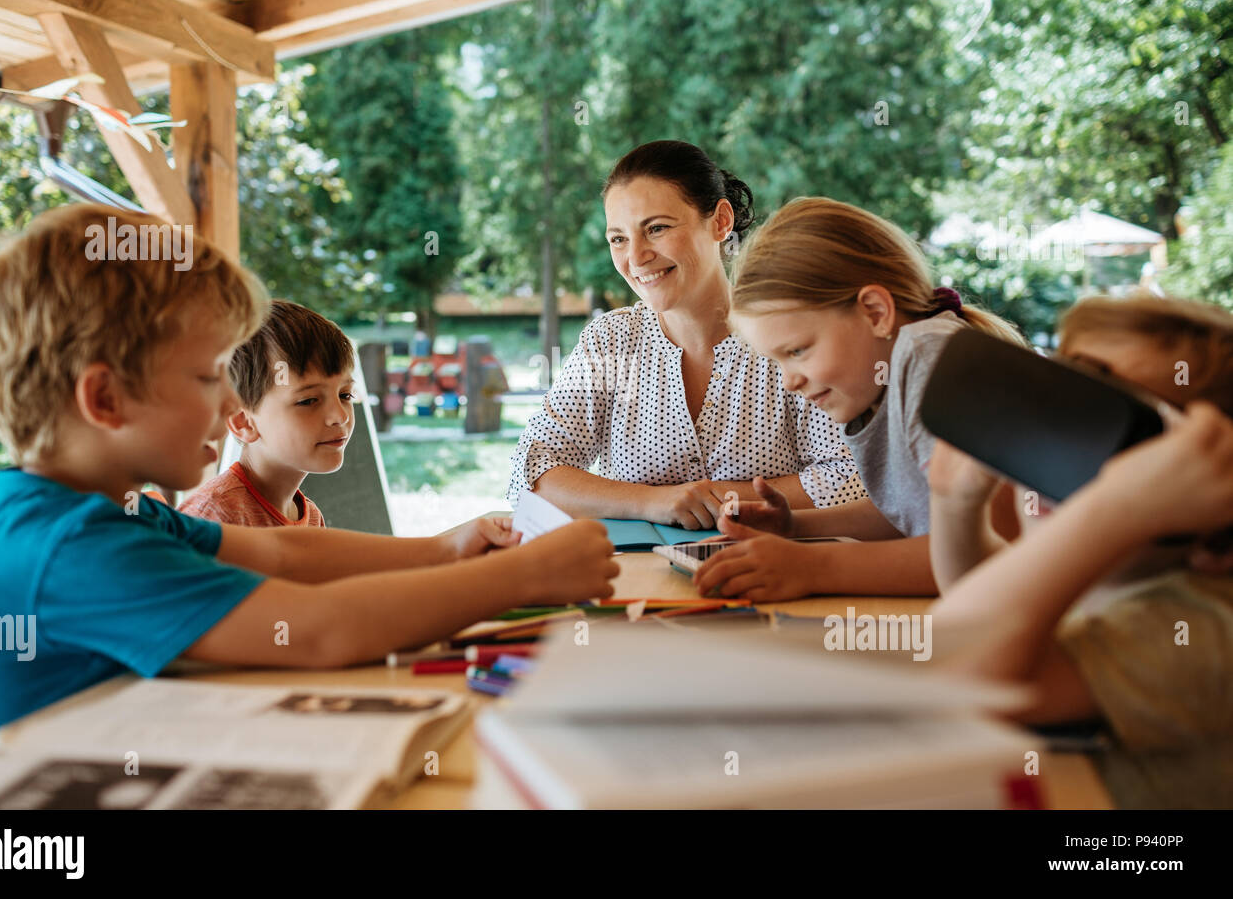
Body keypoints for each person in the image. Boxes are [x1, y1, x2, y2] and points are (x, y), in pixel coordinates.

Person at [0, 203, 617, 770]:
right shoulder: (74, 547)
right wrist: (523, 577)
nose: (230, 397)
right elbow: (317, 632)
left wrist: (445, 548)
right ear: (106, 399)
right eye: (206, 376)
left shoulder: (111, 515)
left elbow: (287, 554)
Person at [928, 293, 1233, 749]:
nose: (1065, 449)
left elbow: (945, 669)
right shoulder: (1122, 580)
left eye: (1124, 434)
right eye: (1064, 405)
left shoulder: (1203, 630)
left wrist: (1112, 509)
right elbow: (988, 612)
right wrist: (955, 505)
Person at [507, 141, 863, 530]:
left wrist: (710, 498)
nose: (637, 257)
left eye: (656, 228)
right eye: (619, 238)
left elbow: (851, 477)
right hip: (629, 581)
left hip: (770, 572)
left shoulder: (788, 334)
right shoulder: (609, 341)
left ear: (720, 221)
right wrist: (654, 502)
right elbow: (533, 474)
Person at [696, 196, 1022, 599]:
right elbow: (913, 513)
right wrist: (797, 528)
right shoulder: (883, 380)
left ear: (874, 312)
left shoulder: (935, 365)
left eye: (797, 351)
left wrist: (812, 568)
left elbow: (998, 554)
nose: (789, 382)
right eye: (777, 362)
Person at [181, 300, 353, 528]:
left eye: (345, 395)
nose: (340, 416)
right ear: (243, 422)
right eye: (308, 400)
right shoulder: (215, 517)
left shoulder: (310, 516)